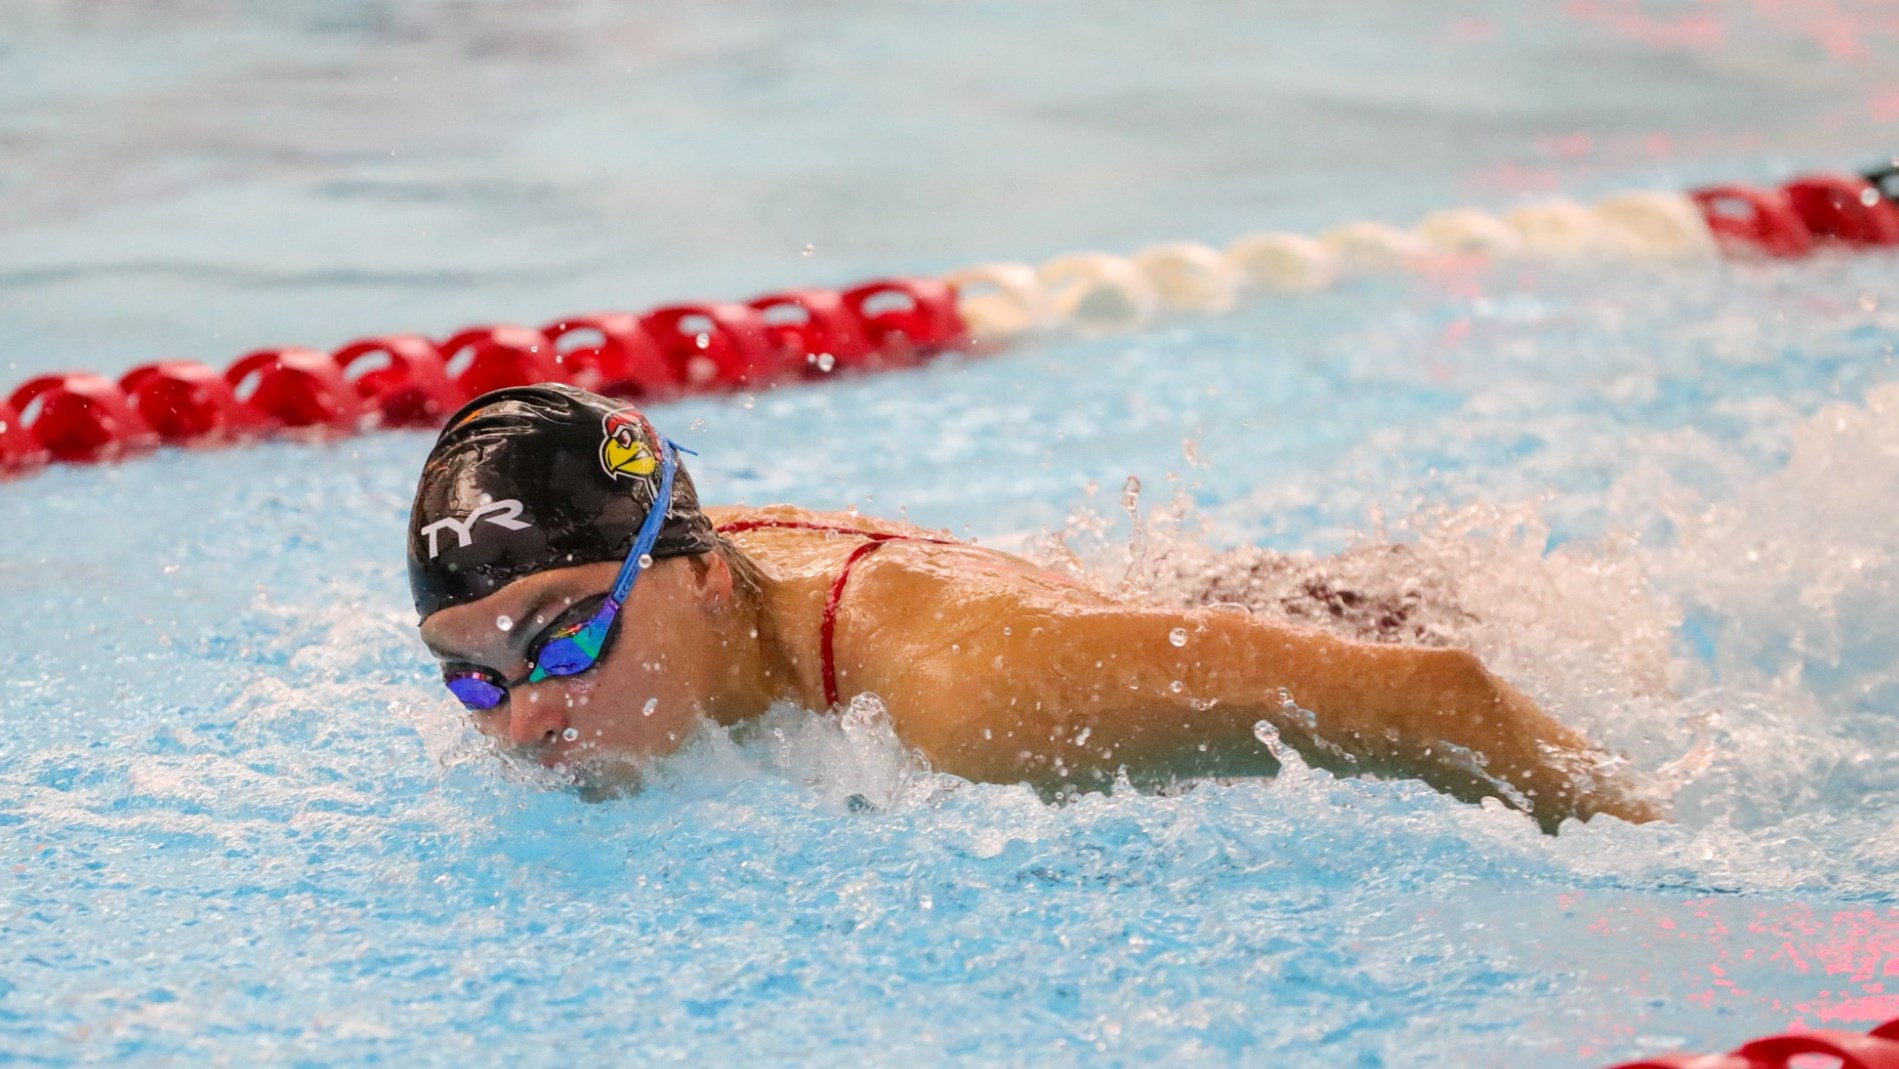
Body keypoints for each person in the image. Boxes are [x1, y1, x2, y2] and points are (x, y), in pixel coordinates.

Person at [409, 384, 1662, 832]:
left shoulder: (972, 703)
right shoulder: (674, 590)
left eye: (564, 637)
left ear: (696, 574)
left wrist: (1651, 837)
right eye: (472, 676)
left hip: (1441, 626)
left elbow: (1438, 698)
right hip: (1138, 604)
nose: (526, 725)